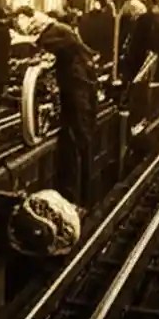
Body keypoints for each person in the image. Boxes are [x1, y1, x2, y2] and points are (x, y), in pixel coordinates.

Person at [25, 11, 99, 207]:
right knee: (82, 146)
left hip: (76, 95)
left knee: (75, 145)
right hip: (81, 90)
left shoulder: (54, 34)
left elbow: (42, 55)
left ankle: (75, 200)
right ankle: (83, 198)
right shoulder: (62, 31)